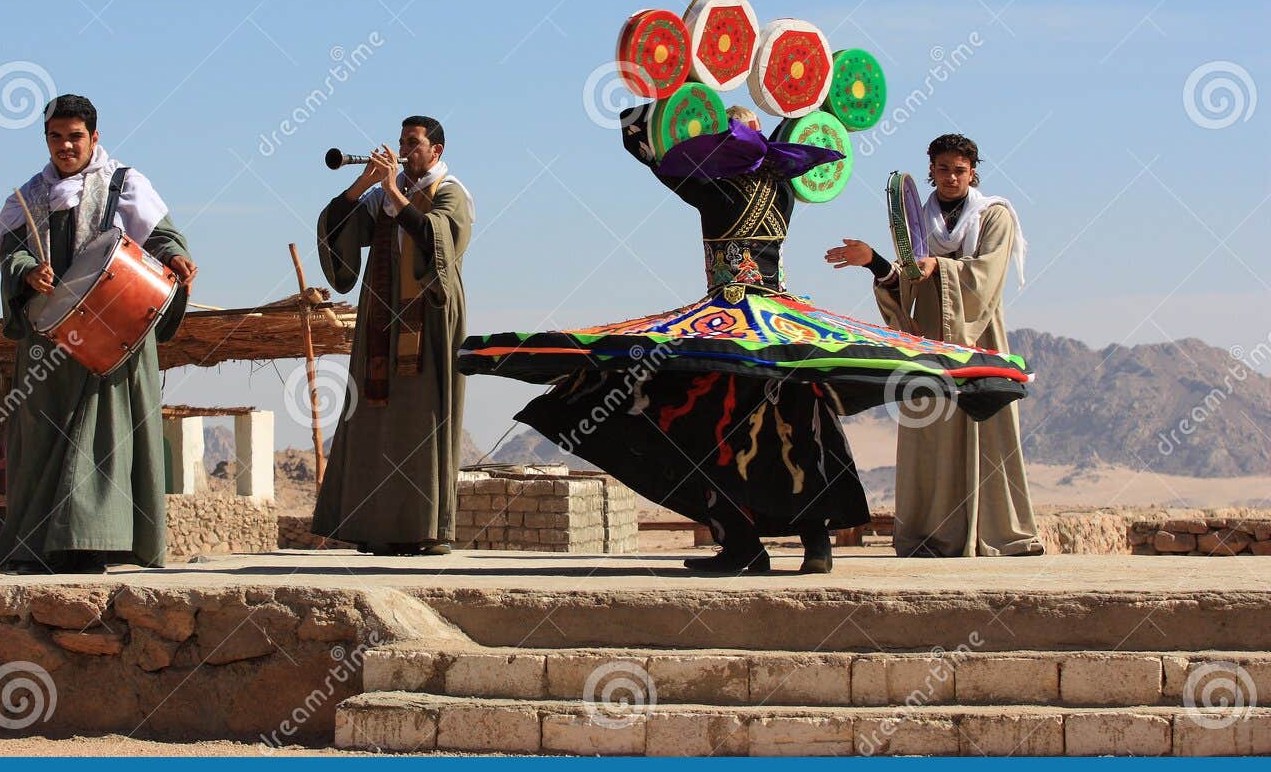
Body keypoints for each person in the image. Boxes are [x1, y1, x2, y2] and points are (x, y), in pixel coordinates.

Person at [460, 107, 1033, 575]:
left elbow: (654, 153)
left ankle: (741, 545)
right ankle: (816, 545)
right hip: (786, 327)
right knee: (801, 427)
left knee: (704, 427)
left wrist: (647, 113)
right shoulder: (782, 191)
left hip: (726, 330)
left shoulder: (716, 192)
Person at [0, 94, 196, 574]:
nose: (65, 146)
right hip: (51, 345)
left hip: (115, 334)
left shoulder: (126, 185)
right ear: (46, 139)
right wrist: (26, 274)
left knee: (104, 435)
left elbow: (162, 235)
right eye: (56, 137)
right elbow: (10, 253)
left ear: (94, 137)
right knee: (44, 434)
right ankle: (39, 546)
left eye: (75, 136)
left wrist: (174, 258)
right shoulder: (25, 198)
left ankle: (98, 544)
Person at [825, 132, 1042, 557]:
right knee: (930, 431)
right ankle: (932, 532)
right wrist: (873, 260)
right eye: (943, 169)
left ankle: (994, 532)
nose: (951, 177)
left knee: (985, 424)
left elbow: (986, 275)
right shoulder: (916, 220)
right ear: (931, 171)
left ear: (973, 172)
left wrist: (939, 266)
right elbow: (907, 285)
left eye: (959, 170)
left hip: (978, 335)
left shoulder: (995, 215)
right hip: (926, 339)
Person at [310, 116, 474, 557]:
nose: (405, 150)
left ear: (435, 151)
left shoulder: (450, 191)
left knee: (423, 419)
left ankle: (425, 530)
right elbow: (338, 229)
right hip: (381, 316)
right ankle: (374, 526)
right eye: (402, 141)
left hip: (430, 318)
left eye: (413, 143)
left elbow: (436, 238)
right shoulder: (383, 193)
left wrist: (394, 194)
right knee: (371, 415)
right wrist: (362, 184)